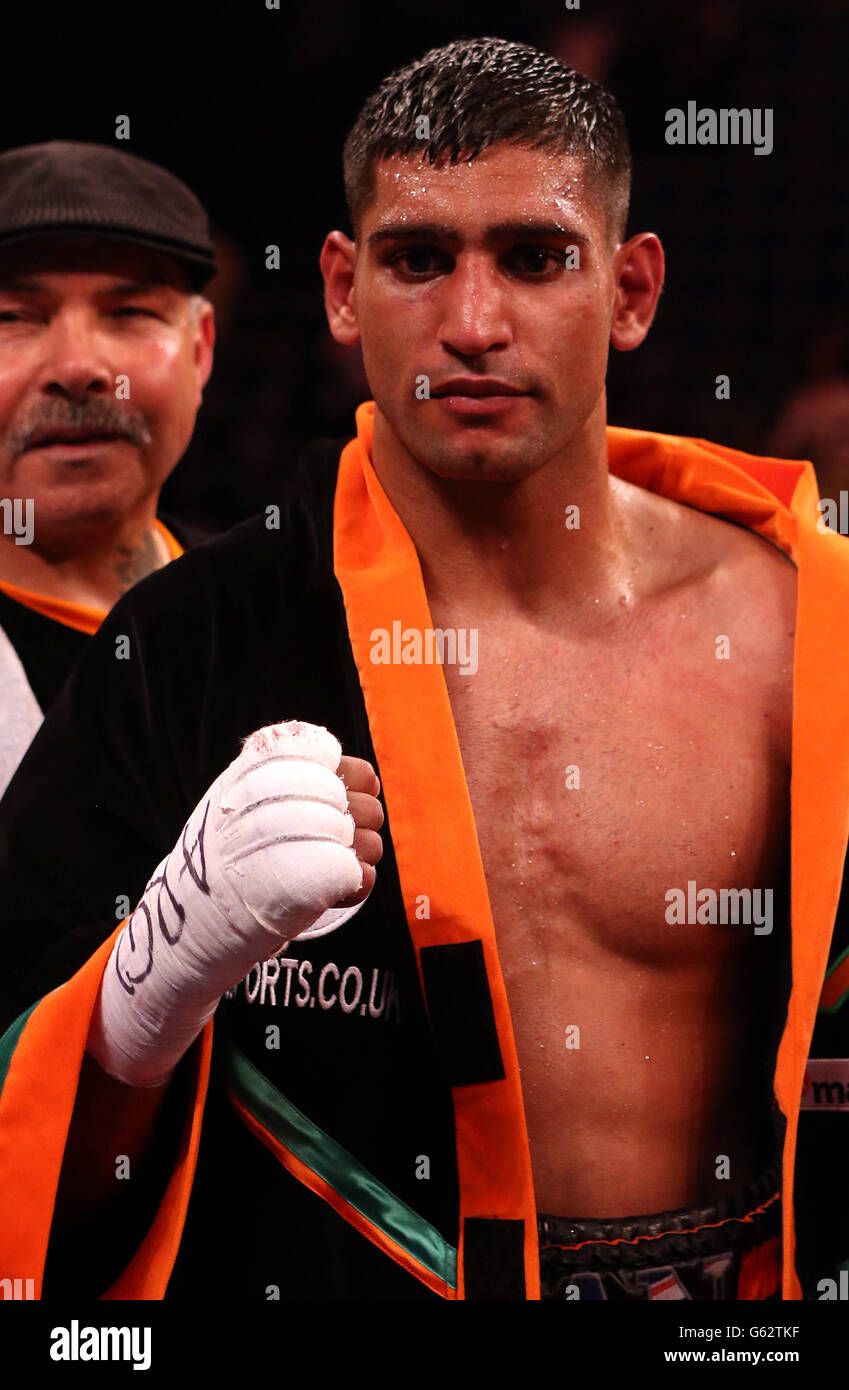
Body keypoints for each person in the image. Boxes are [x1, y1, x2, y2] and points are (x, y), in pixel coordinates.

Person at [0, 36, 846, 1303]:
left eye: (535, 256)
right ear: (342, 289)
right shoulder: (186, 645)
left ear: (632, 288)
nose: (472, 324)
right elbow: (26, 1190)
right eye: (417, 259)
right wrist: (147, 983)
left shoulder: (803, 626)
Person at [0, 141, 216, 796]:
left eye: (130, 314)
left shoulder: (288, 612)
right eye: (11, 317)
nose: (78, 368)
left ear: (201, 352)